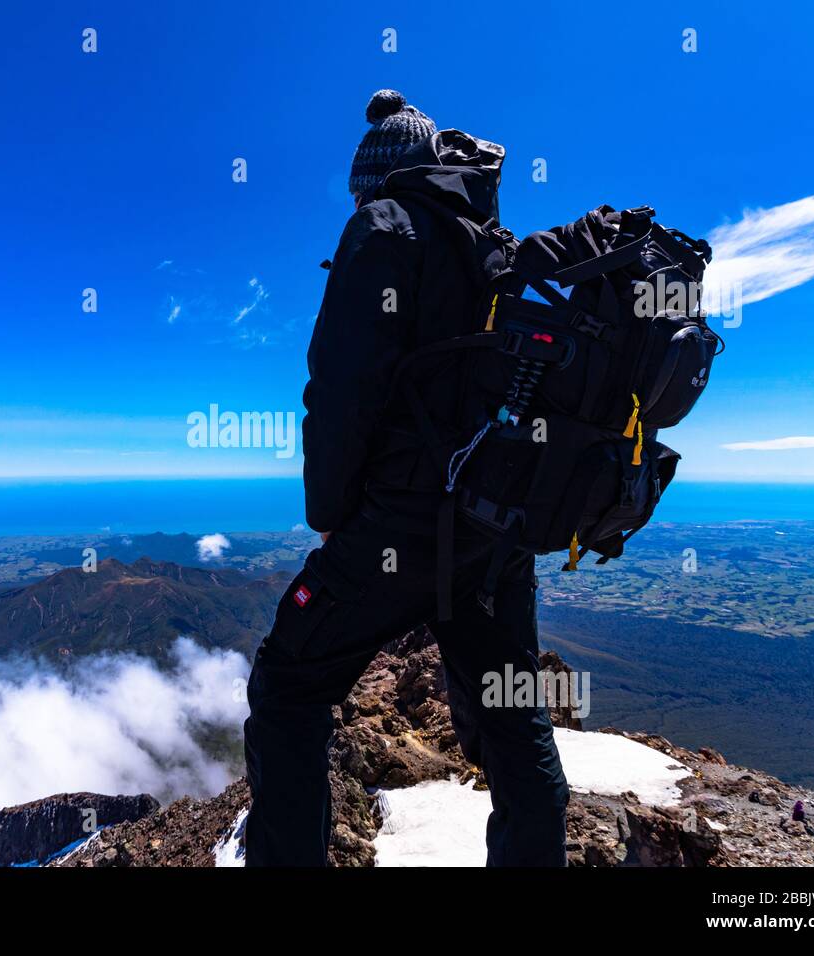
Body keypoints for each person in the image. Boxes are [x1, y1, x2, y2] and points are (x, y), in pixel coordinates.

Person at [243, 90, 570, 867]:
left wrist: (331, 512)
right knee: (512, 703)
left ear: (377, 177)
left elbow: (340, 389)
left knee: (289, 685)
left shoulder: (384, 226)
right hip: (492, 528)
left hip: (405, 525)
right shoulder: (491, 242)